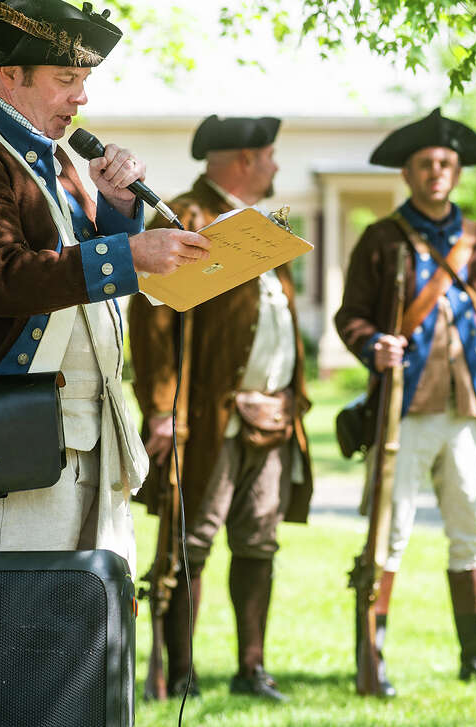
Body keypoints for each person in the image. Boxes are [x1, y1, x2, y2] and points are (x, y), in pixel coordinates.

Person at [0, 0, 210, 584]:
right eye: (67, 80)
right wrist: (132, 255)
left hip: (81, 430)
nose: (81, 98)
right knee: (27, 642)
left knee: (90, 640)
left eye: (83, 81)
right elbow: (4, 280)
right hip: (23, 440)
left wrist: (113, 209)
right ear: (10, 76)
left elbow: (72, 280)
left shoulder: (43, 157)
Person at [335, 108, 476, 692]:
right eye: (426, 163)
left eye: (446, 164)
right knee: (387, 536)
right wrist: (373, 343)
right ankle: (370, 663)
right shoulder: (380, 239)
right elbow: (348, 317)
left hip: (469, 412)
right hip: (403, 414)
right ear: (407, 172)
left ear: (457, 172)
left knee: (473, 530)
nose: (436, 172)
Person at [128, 115, 313, 703]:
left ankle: (251, 668)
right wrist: (162, 410)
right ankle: (180, 672)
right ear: (242, 159)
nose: (277, 166)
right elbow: (153, 320)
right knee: (192, 542)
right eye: (270, 156)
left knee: (259, 541)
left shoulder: (260, 226)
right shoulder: (185, 215)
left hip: (271, 416)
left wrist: (288, 396)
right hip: (207, 415)